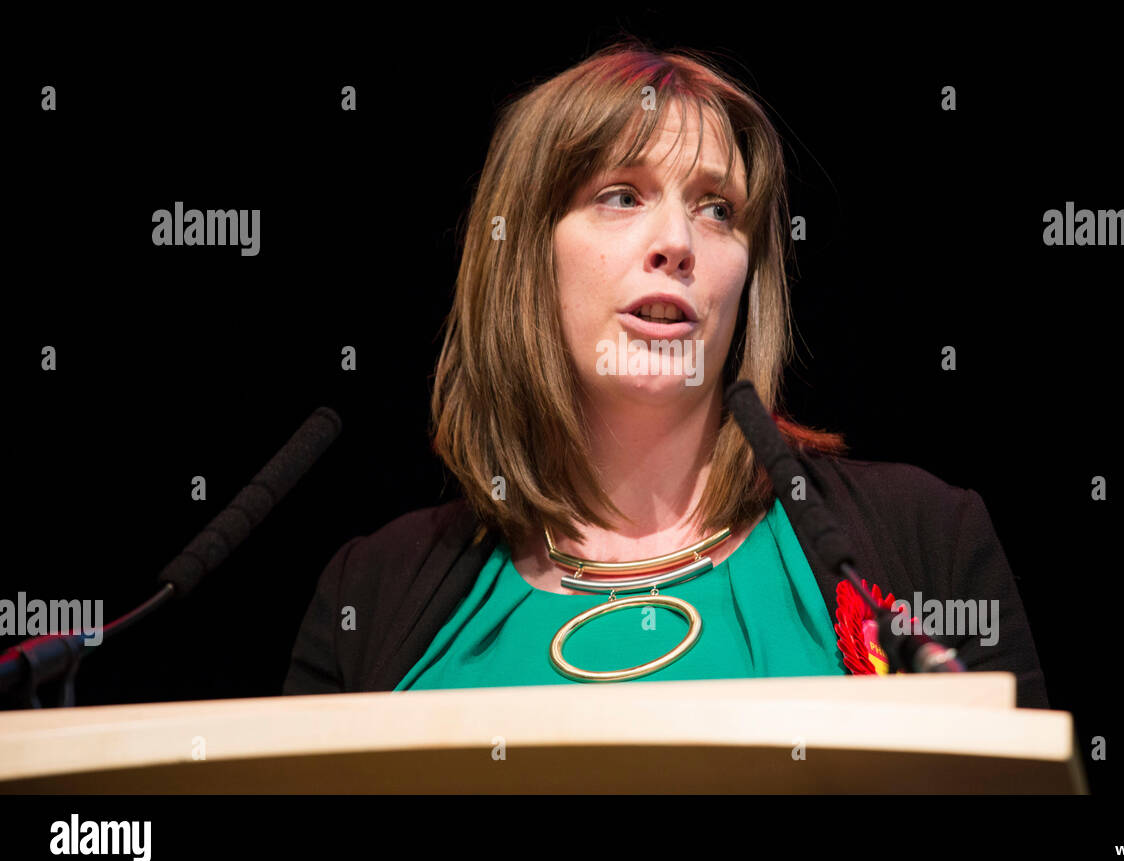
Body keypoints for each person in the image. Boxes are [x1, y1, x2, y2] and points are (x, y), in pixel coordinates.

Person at [282, 39, 1049, 707]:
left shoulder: (925, 536)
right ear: (524, 257)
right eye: (621, 196)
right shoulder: (369, 592)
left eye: (718, 209)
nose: (678, 242)